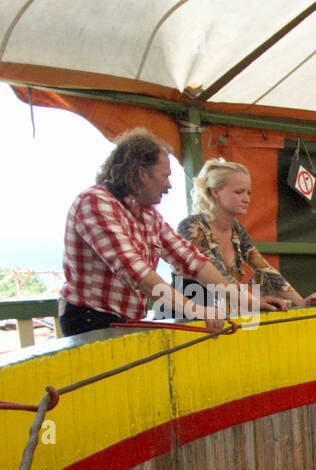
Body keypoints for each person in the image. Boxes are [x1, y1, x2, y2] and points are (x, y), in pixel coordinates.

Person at [58, 128, 277, 335]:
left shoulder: (147, 214)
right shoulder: (95, 203)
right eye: (165, 176)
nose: (169, 185)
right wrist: (197, 310)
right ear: (142, 174)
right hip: (90, 319)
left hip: (123, 318)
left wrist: (249, 301)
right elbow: (135, 271)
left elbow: (192, 260)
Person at [173, 159, 316, 309]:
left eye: (248, 192)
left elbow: (264, 268)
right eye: (239, 192)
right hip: (182, 317)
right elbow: (217, 276)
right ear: (215, 191)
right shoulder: (191, 227)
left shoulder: (236, 228)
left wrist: (301, 302)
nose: (246, 199)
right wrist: (255, 302)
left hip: (218, 316)